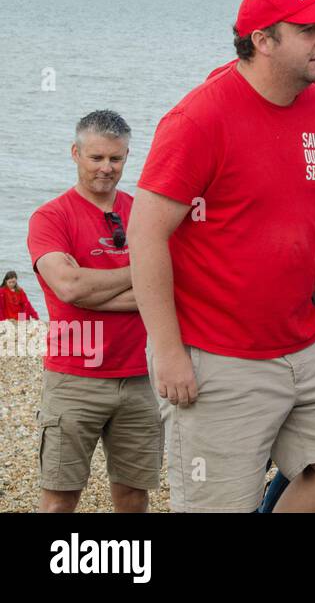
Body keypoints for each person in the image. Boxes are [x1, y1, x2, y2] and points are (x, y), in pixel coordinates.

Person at [129, 0, 315, 512]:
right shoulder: (199, 117)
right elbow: (146, 232)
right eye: (308, 30)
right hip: (218, 353)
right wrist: (168, 352)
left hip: (308, 341)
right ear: (262, 40)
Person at [27, 110, 160, 513]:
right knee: (59, 498)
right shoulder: (51, 217)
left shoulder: (144, 213)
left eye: (115, 159)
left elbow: (169, 289)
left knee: (134, 497)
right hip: (74, 377)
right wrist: (143, 274)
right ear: (75, 153)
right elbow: (68, 287)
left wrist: (91, 292)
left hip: (141, 377)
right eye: (96, 158)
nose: (106, 168)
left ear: (127, 157)